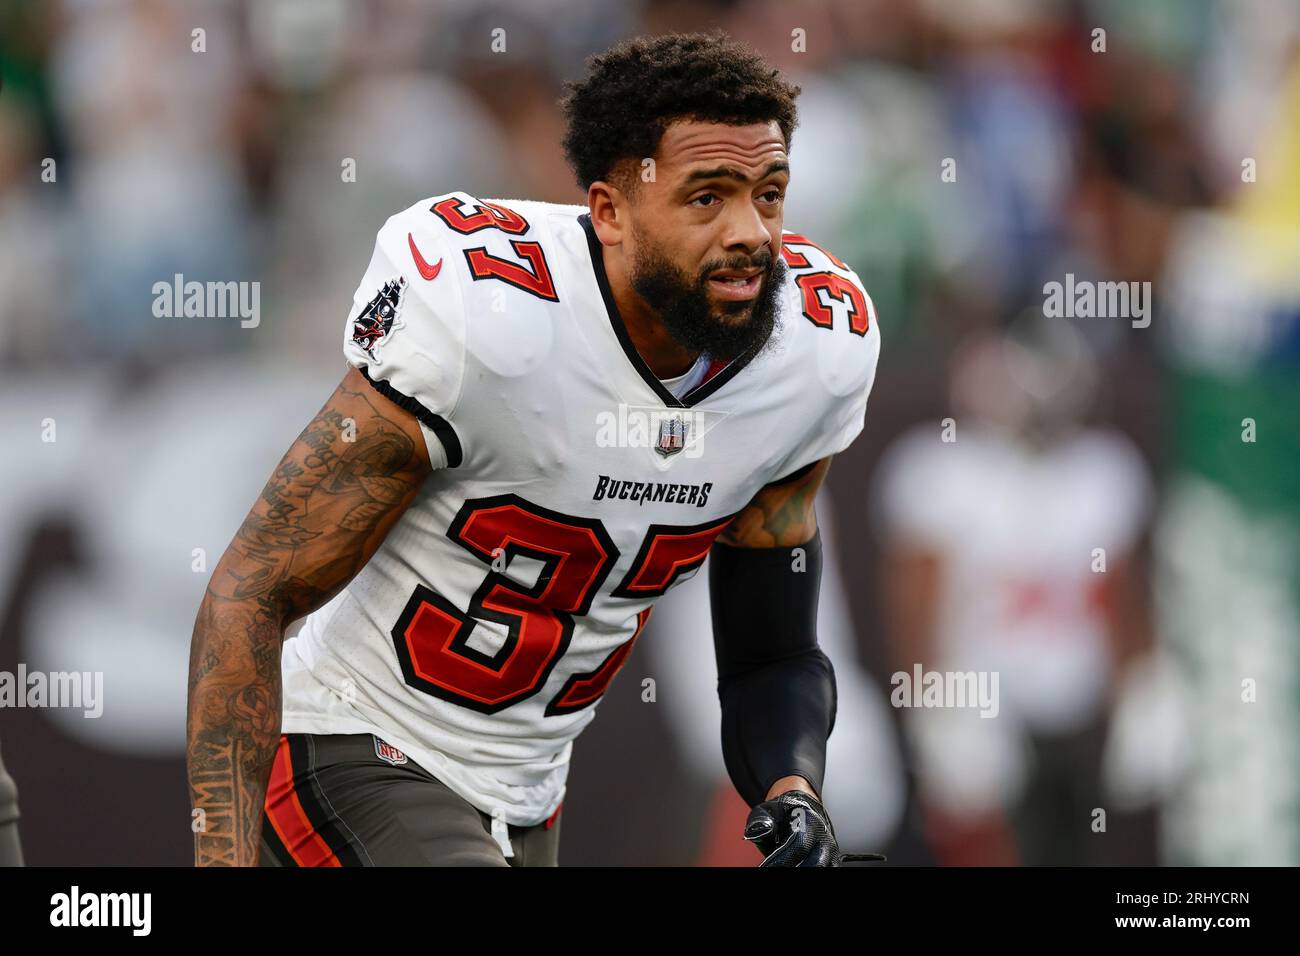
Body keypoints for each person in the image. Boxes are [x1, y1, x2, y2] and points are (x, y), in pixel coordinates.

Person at [186, 31, 883, 867]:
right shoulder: (489, 319)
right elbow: (251, 591)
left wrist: (791, 792)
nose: (751, 234)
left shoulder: (811, 353)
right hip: (352, 742)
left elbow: (772, 653)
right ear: (611, 211)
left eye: (769, 195)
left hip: (526, 799)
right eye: (708, 198)